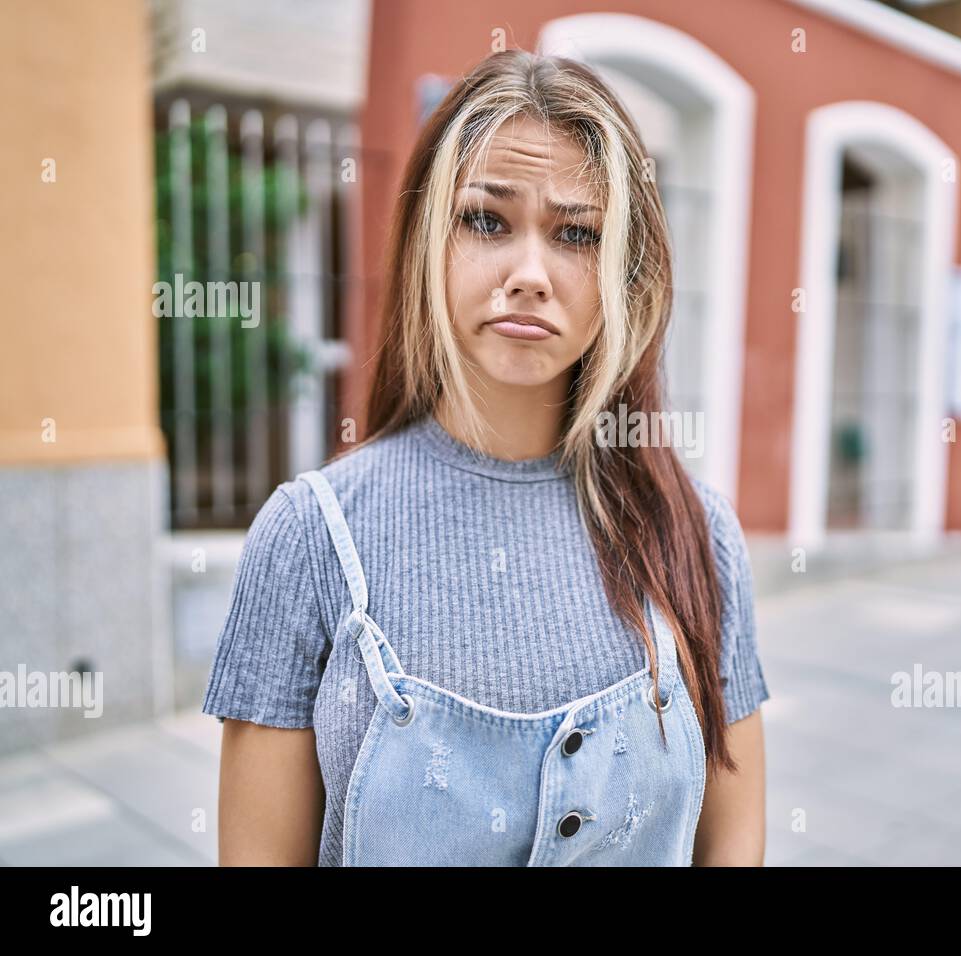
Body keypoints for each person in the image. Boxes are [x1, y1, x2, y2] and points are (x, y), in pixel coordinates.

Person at [202, 49, 769, 866]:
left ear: (624, 276)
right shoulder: (310, 539)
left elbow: (733, 841)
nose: (530, 275)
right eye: (486, 220)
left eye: (577, 234)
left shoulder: (697, 535)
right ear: (429, 244)